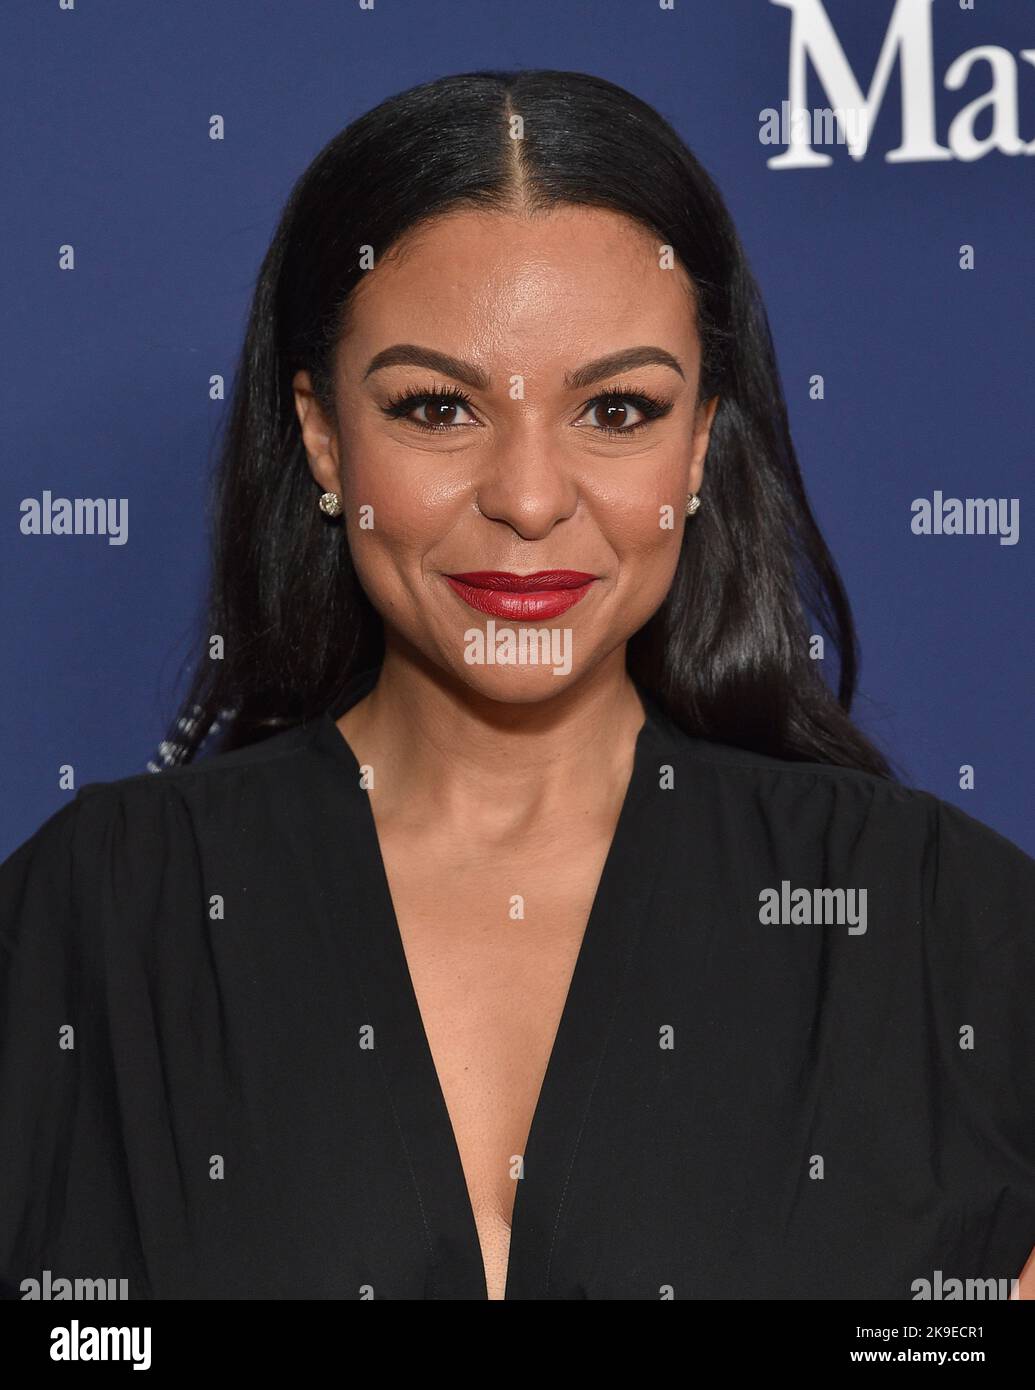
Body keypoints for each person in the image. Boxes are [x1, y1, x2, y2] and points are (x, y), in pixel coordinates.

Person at [2, 69, 1034, 1302]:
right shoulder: (97, 916)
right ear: (324, 433)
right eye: (437, 406)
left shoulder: (945, 930)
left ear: (700, 441)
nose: (531, 498)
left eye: (616, 408)